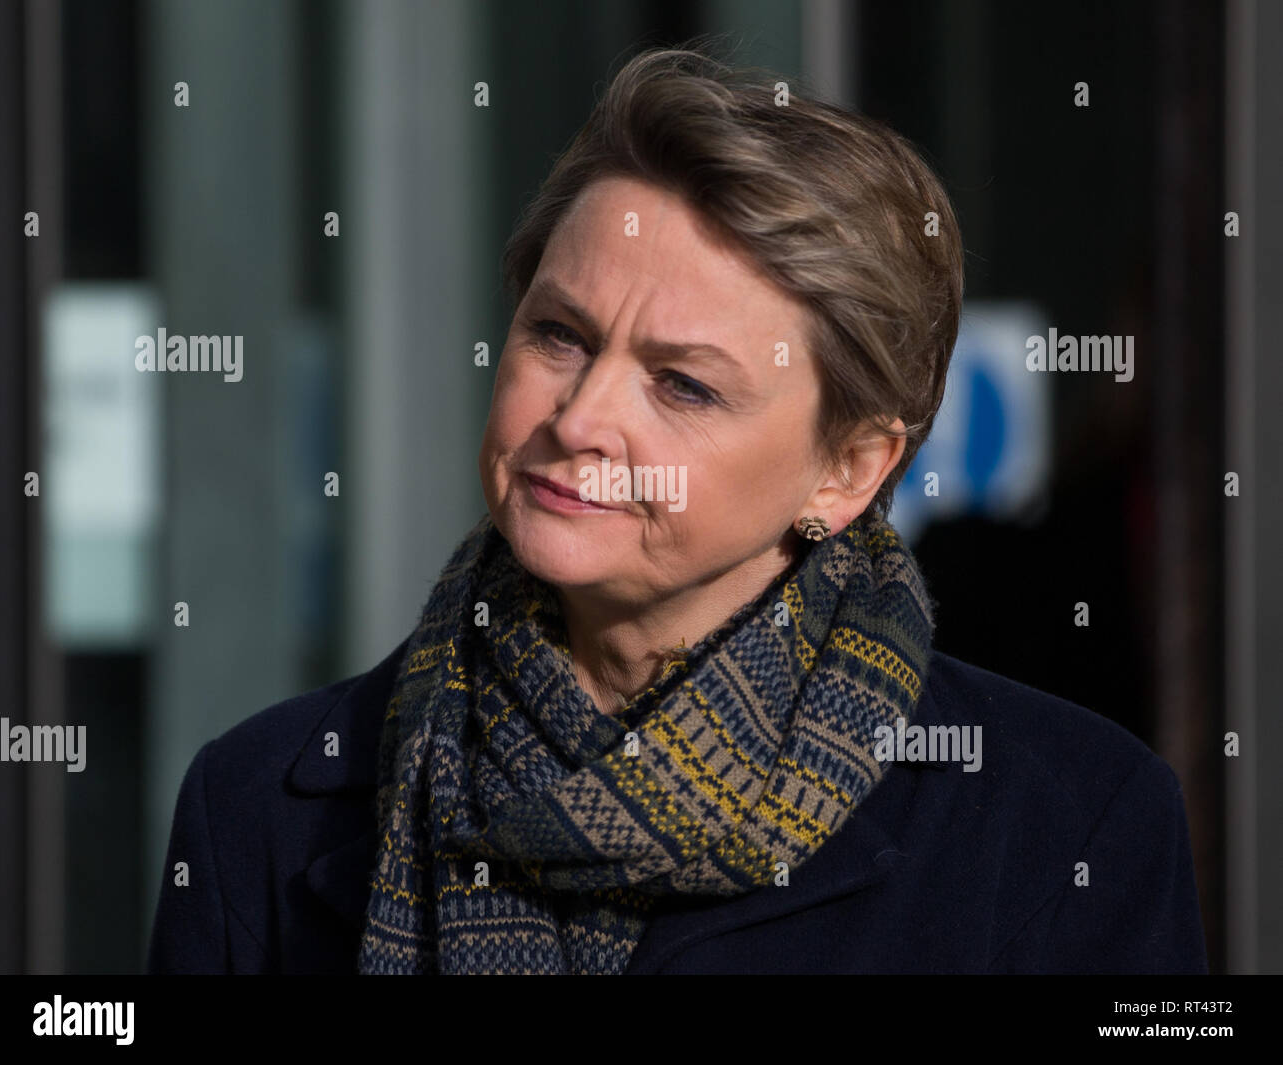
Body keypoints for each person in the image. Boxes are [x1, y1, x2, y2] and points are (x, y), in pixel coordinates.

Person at [146, 45, 1207, 975]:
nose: (581, 417)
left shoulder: (1064, 825)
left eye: (682, 385)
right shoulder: (265, 808)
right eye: (560, 334)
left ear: (846, 472)